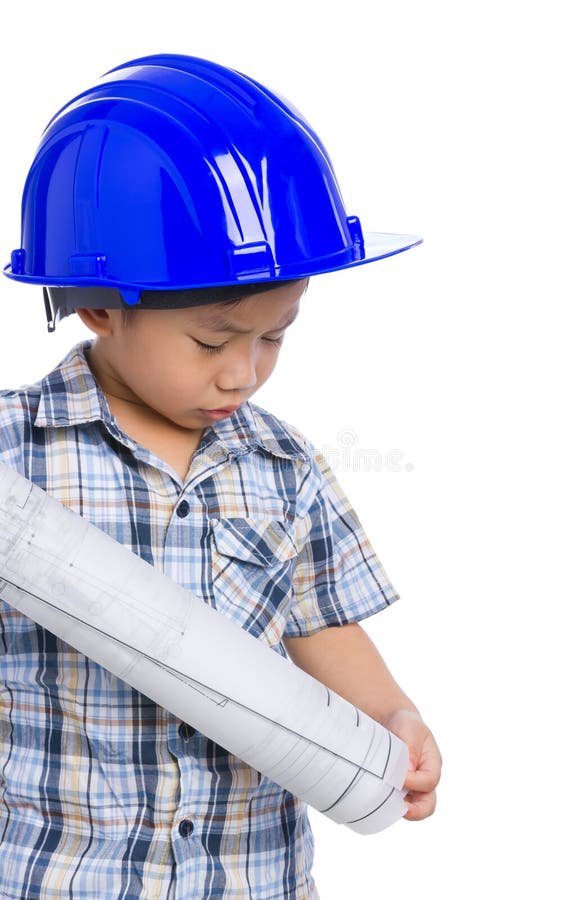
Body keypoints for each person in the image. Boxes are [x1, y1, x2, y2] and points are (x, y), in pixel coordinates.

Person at [0, 54, 441, 899]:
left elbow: (324, 626)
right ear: (97, 304)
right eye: (212, 341)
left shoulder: (285, 465)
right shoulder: (14, 456)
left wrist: (394, 715)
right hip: (63, 875)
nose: (244, 373)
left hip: (251, 876)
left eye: (275, 336)